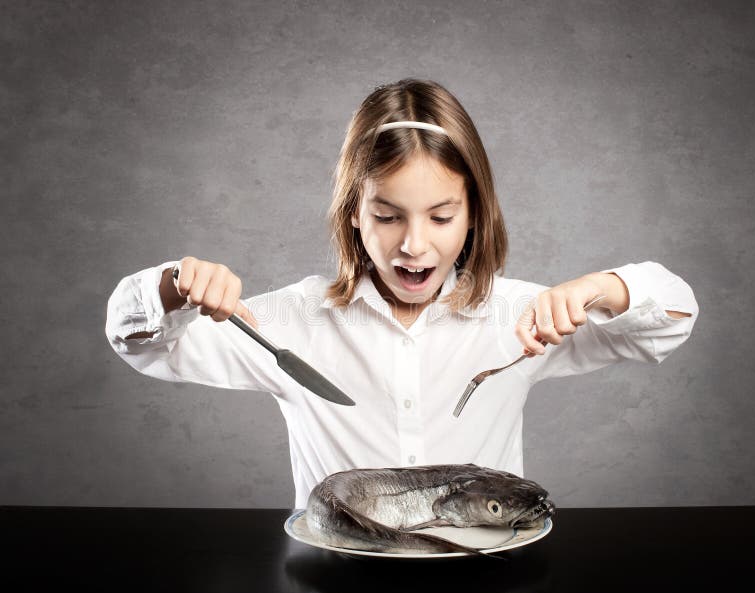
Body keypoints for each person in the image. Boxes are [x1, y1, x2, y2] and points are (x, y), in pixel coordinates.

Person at [106, 79, 698, 508]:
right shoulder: (289, 323)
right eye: (388, 215)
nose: (413, 245)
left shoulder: (519, 320)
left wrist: (607, 288)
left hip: (484, 575)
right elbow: (140, 344)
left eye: (440, 217)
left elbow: (672, 319)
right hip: (335, 574)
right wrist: (172, 286)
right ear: (355, 215)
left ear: (474, 216)